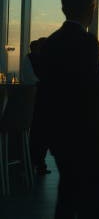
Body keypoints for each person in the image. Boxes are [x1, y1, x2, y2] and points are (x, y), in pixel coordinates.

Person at [35, 0, 99, 218]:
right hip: (86, 131)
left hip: (59, 130)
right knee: (91, 196)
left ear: (64, 9)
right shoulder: (87, 41)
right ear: (91, 9)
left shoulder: (50, 43)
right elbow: (94, 86)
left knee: (67, 192)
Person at [27, 37, 52, 176]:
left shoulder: (31, 60)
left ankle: (34, 162)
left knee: (38, 133)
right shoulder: (39, 61)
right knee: (41, 134)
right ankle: (39, 163)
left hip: (36, 104)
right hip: (40, 104)